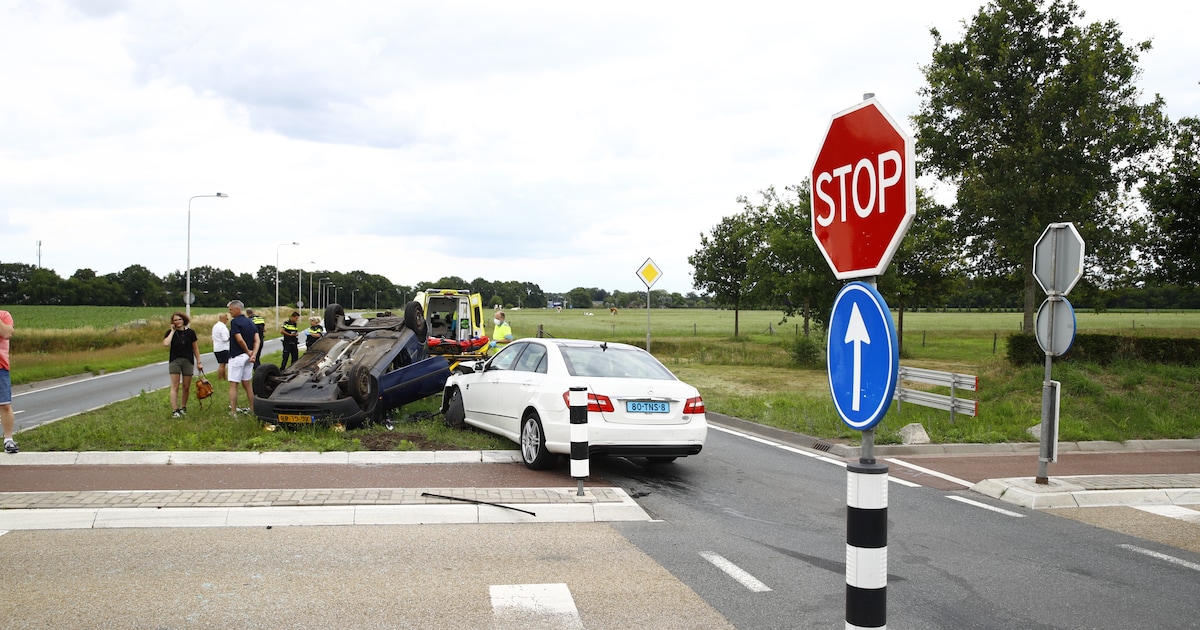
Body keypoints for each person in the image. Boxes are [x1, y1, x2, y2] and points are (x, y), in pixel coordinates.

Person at [162, 311, 202, 418]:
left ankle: (183, 407)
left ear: (184, 320)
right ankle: (175, 410)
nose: (178, 322)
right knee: (175, 386)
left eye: (179, 319)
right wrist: (172, 331)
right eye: (175, 320)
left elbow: (195, 348)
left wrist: (199, 361)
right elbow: (166, 343)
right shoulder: (170, 332)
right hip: (175, 361)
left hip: (188, 360)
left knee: (186, 386)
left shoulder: (191, 333)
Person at [227, 300, 260, 416]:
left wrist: (247, 351)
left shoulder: (235, 322)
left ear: (238, 309)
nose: (230, 312)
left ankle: (233, 411)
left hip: (237, 355)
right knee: (247, 384)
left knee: (233, 384)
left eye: (231, 310)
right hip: (248, 357)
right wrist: (253, 354)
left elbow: (239, 339)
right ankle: (252, 408)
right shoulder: (251, 322)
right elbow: (257, 340)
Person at [0, 309, 17, 453]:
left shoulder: (4, 315)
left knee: (5, 404)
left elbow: (7, 333)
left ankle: (8, 440)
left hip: (0, 367)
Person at [212, 312, 230, 381]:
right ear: (223, 319)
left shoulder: (215, 326)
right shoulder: (222, 327)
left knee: (222, 364)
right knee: (222, 365)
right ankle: (219, 379)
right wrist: (230, 338)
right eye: (226, 319)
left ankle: (224, 378)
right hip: (223, 347)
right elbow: (225, 338)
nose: (227, 320)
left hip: (216, 347)